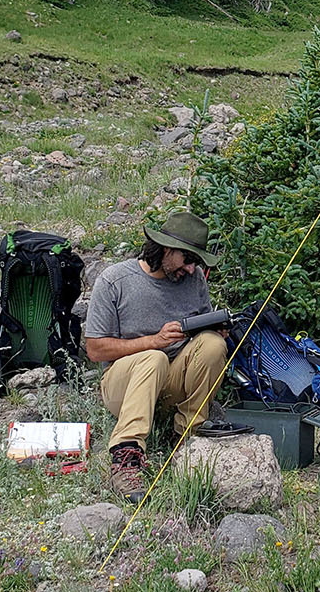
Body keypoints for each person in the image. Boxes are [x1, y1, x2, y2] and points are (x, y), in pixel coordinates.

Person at [85, 211, 232, 503]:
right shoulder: (115, 280)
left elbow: (204, 338)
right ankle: (126, 456)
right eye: (187, 260)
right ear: (166, 249)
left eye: (196, 263)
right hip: (123, 387)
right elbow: (95, 349)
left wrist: (217, 330)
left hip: (172, 382)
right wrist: (154, 341)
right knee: (153, 357)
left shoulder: (194, 281)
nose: (191, 270)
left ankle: (187, 437)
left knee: (213, 344)